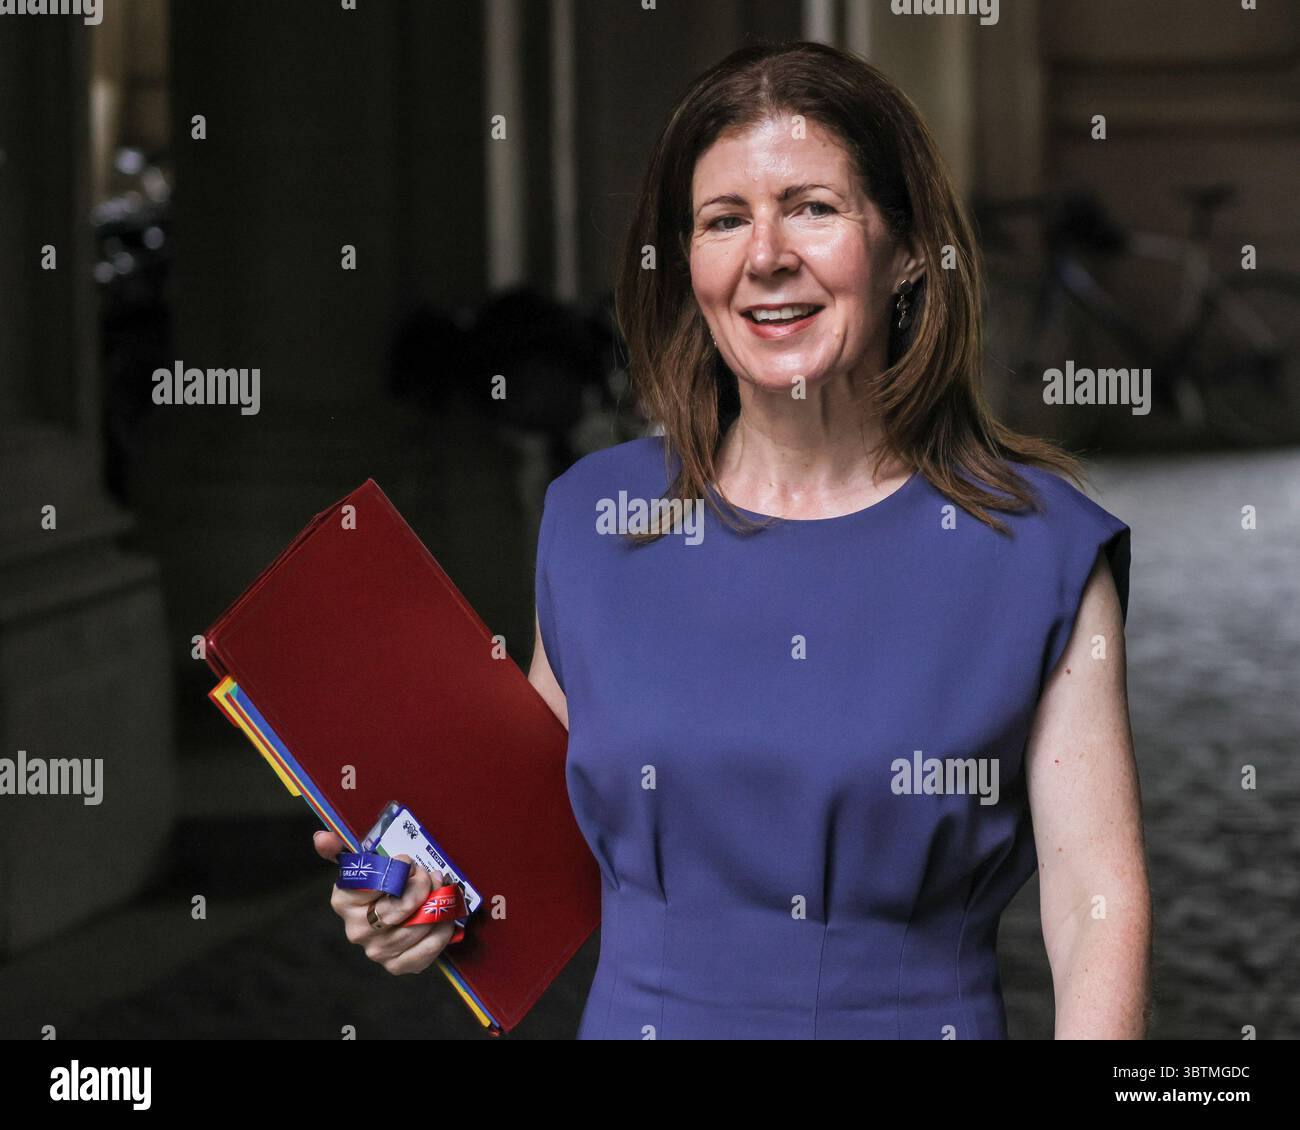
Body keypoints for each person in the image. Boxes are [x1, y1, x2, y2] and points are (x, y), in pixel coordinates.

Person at [316, 39, 1151, 1039]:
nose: (765, 256)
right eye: (724, 220)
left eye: (812, 206)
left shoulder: (1039, 549)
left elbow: (1094, 904)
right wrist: (410, 891)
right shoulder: (596, 518)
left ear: (910, 249)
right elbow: (531, 845)